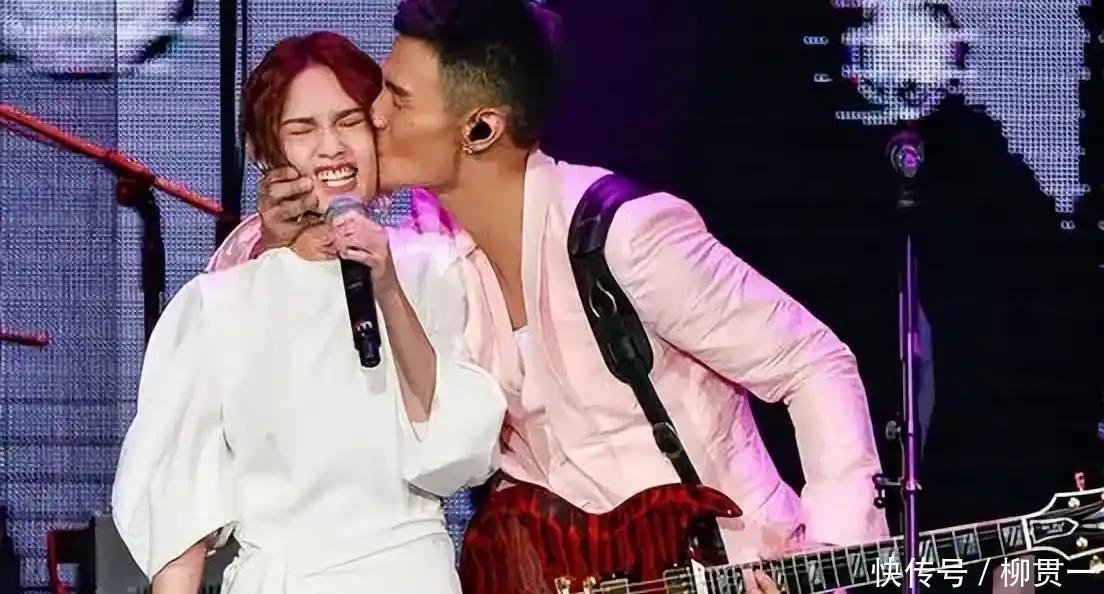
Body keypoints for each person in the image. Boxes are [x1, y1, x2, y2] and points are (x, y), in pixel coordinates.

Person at [214, 1, 890, 591]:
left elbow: (811, 361)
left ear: (480, 129)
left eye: (398, 98)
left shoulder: (625, 236)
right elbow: (279, 325)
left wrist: (830, 553)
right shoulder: (430, 254)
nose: (375, 116)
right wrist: (273, 238)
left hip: (723, 567)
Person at [111, 31, 506, 594]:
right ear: (265, 152)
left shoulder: (437, 268)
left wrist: (389, 289)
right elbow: (180, 510)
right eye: (302, 130)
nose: (331, 147)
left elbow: (456, 454)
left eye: (349, 122)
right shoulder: (217, 306)